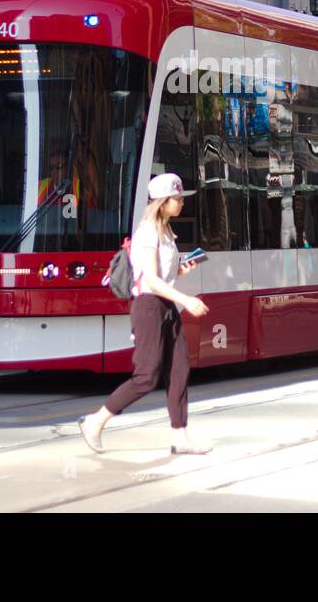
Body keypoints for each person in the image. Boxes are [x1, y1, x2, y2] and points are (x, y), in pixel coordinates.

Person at [77, 173, 208, 455]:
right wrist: (187, 299)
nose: (181, 204)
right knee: (147, 376)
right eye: (177, 199)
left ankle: (180, 437)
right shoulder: (148, 231)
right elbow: (151, 280)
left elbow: (162, 276)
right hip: (149, 307)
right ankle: (95, 422)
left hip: (164, 305)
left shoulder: (166, 232)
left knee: (179, 370)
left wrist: (182, 270)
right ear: (162, 202)